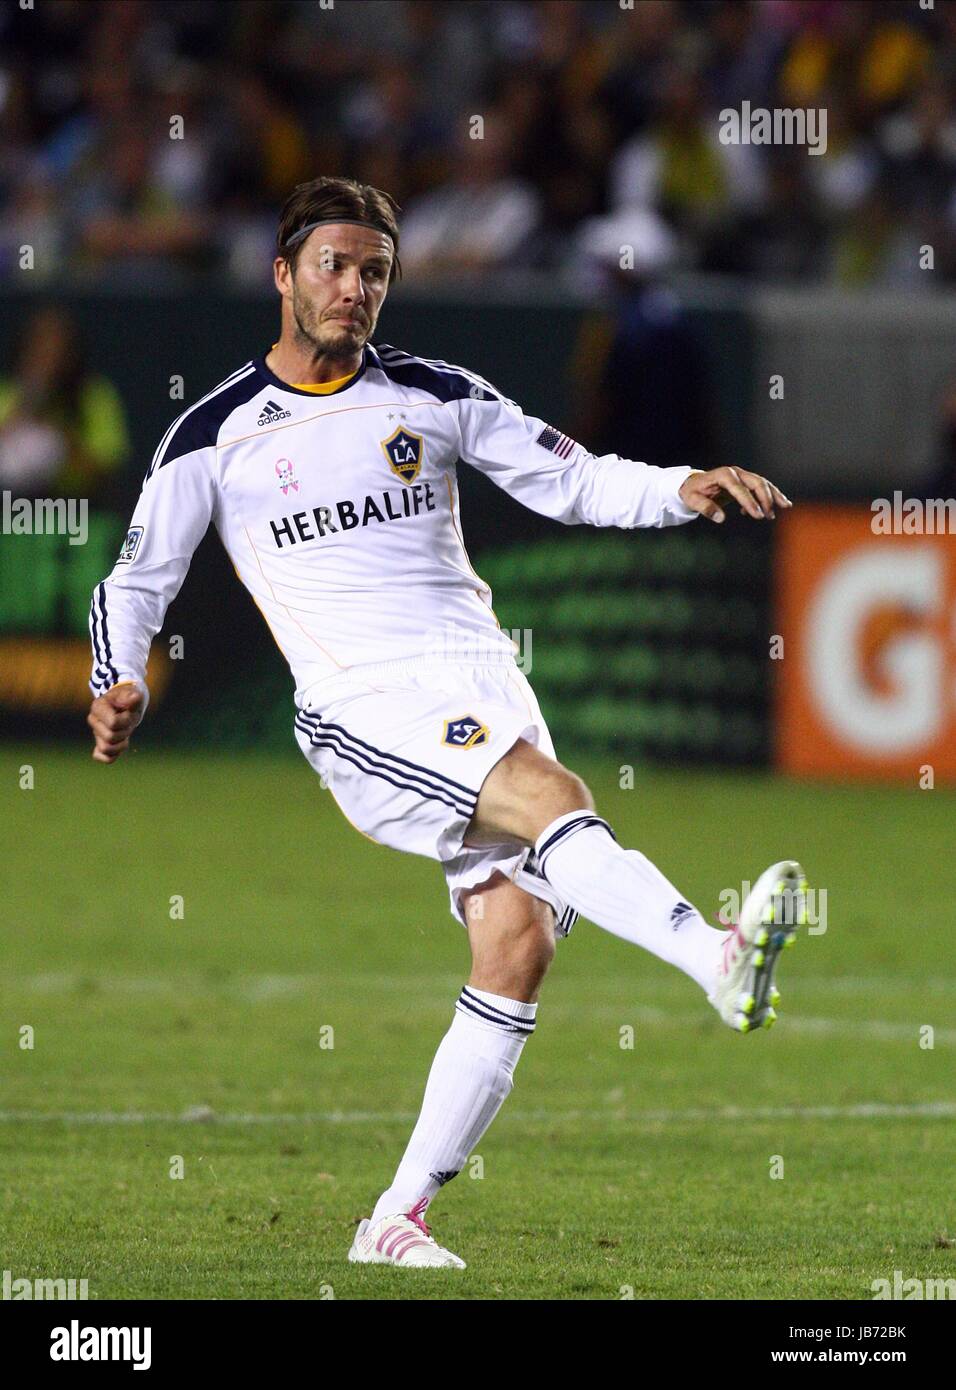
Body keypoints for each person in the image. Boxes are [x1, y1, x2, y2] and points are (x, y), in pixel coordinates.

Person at [87, 176, 806, 1271]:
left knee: (514, 944)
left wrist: (678, 488)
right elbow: (139, 578)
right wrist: (115, 674)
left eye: (374, 270)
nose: (353, 288)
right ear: (282, 274)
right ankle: (714, 957)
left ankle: (393, 1219)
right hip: (359, 703)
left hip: (478, 682)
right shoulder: (215, 432)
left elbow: (571, 480)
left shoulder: (434, 393)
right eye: (333, 264)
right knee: (556, 801)